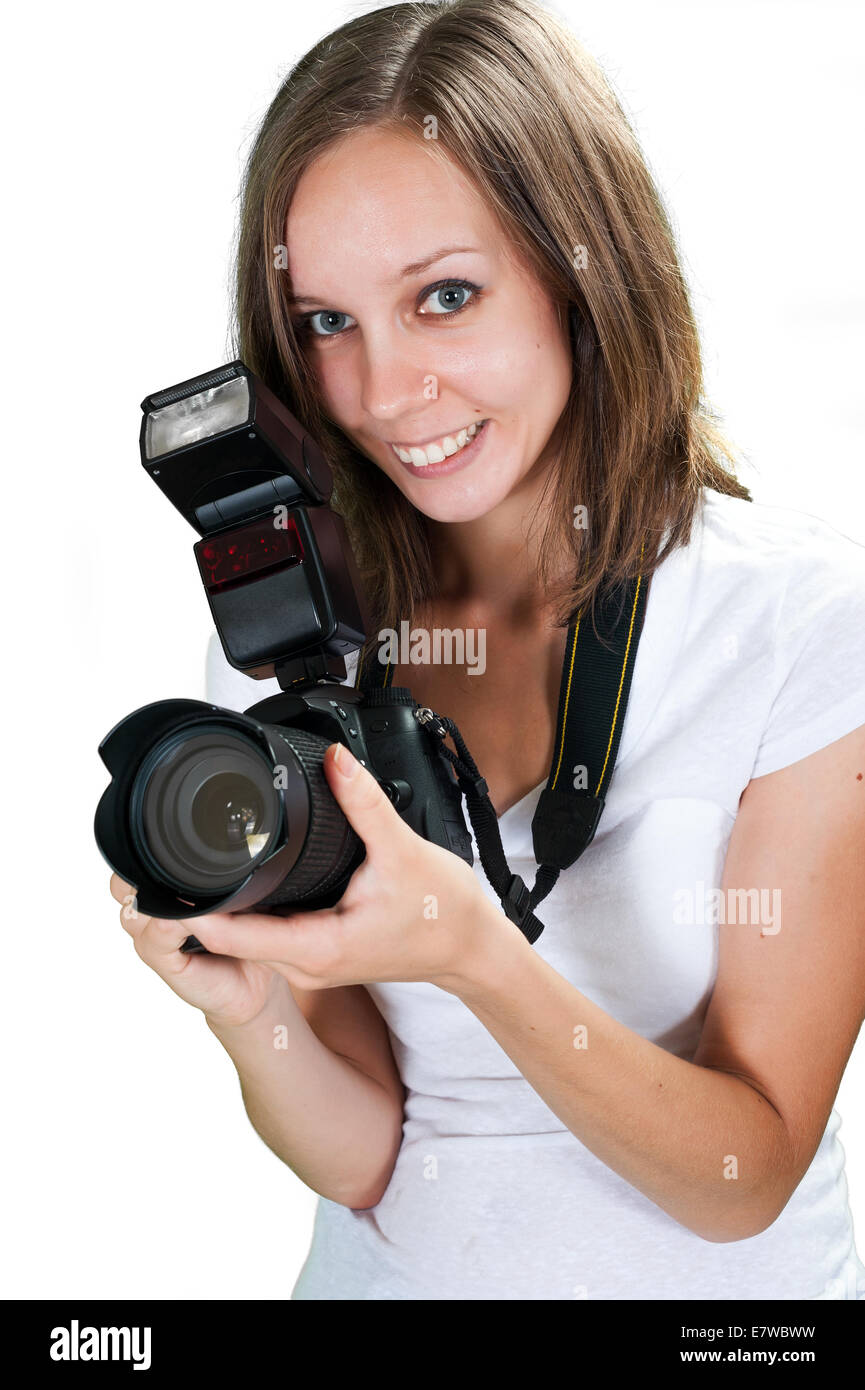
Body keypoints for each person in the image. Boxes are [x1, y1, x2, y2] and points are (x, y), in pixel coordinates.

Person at [110, 0, 865, 1300]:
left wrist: (475, 952)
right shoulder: (297, 643)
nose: (384, 392)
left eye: (443, 296)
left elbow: (741, 1175)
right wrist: (247, 1011)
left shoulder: (794, 621)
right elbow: (363, 1156)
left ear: (582, 270)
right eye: (327, 323)